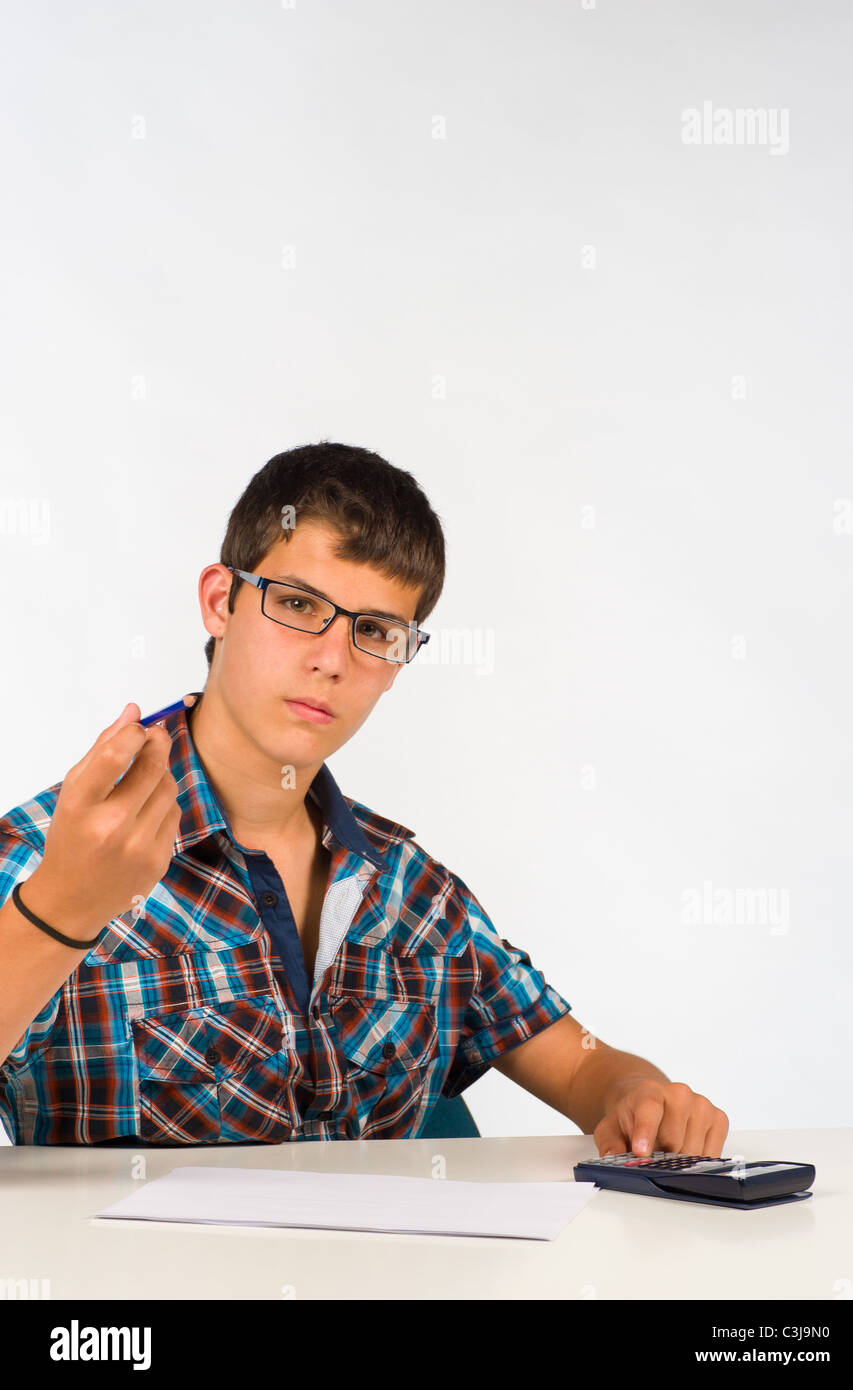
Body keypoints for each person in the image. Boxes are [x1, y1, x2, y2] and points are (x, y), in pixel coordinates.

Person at [0, 441, 728, 1155]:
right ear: (221, 602)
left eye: (375, 631)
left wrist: (637, 1092)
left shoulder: (413, 892)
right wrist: (64, 908)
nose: (331, 660)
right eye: (297, 604)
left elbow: (580, 1066)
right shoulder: (42, 855)